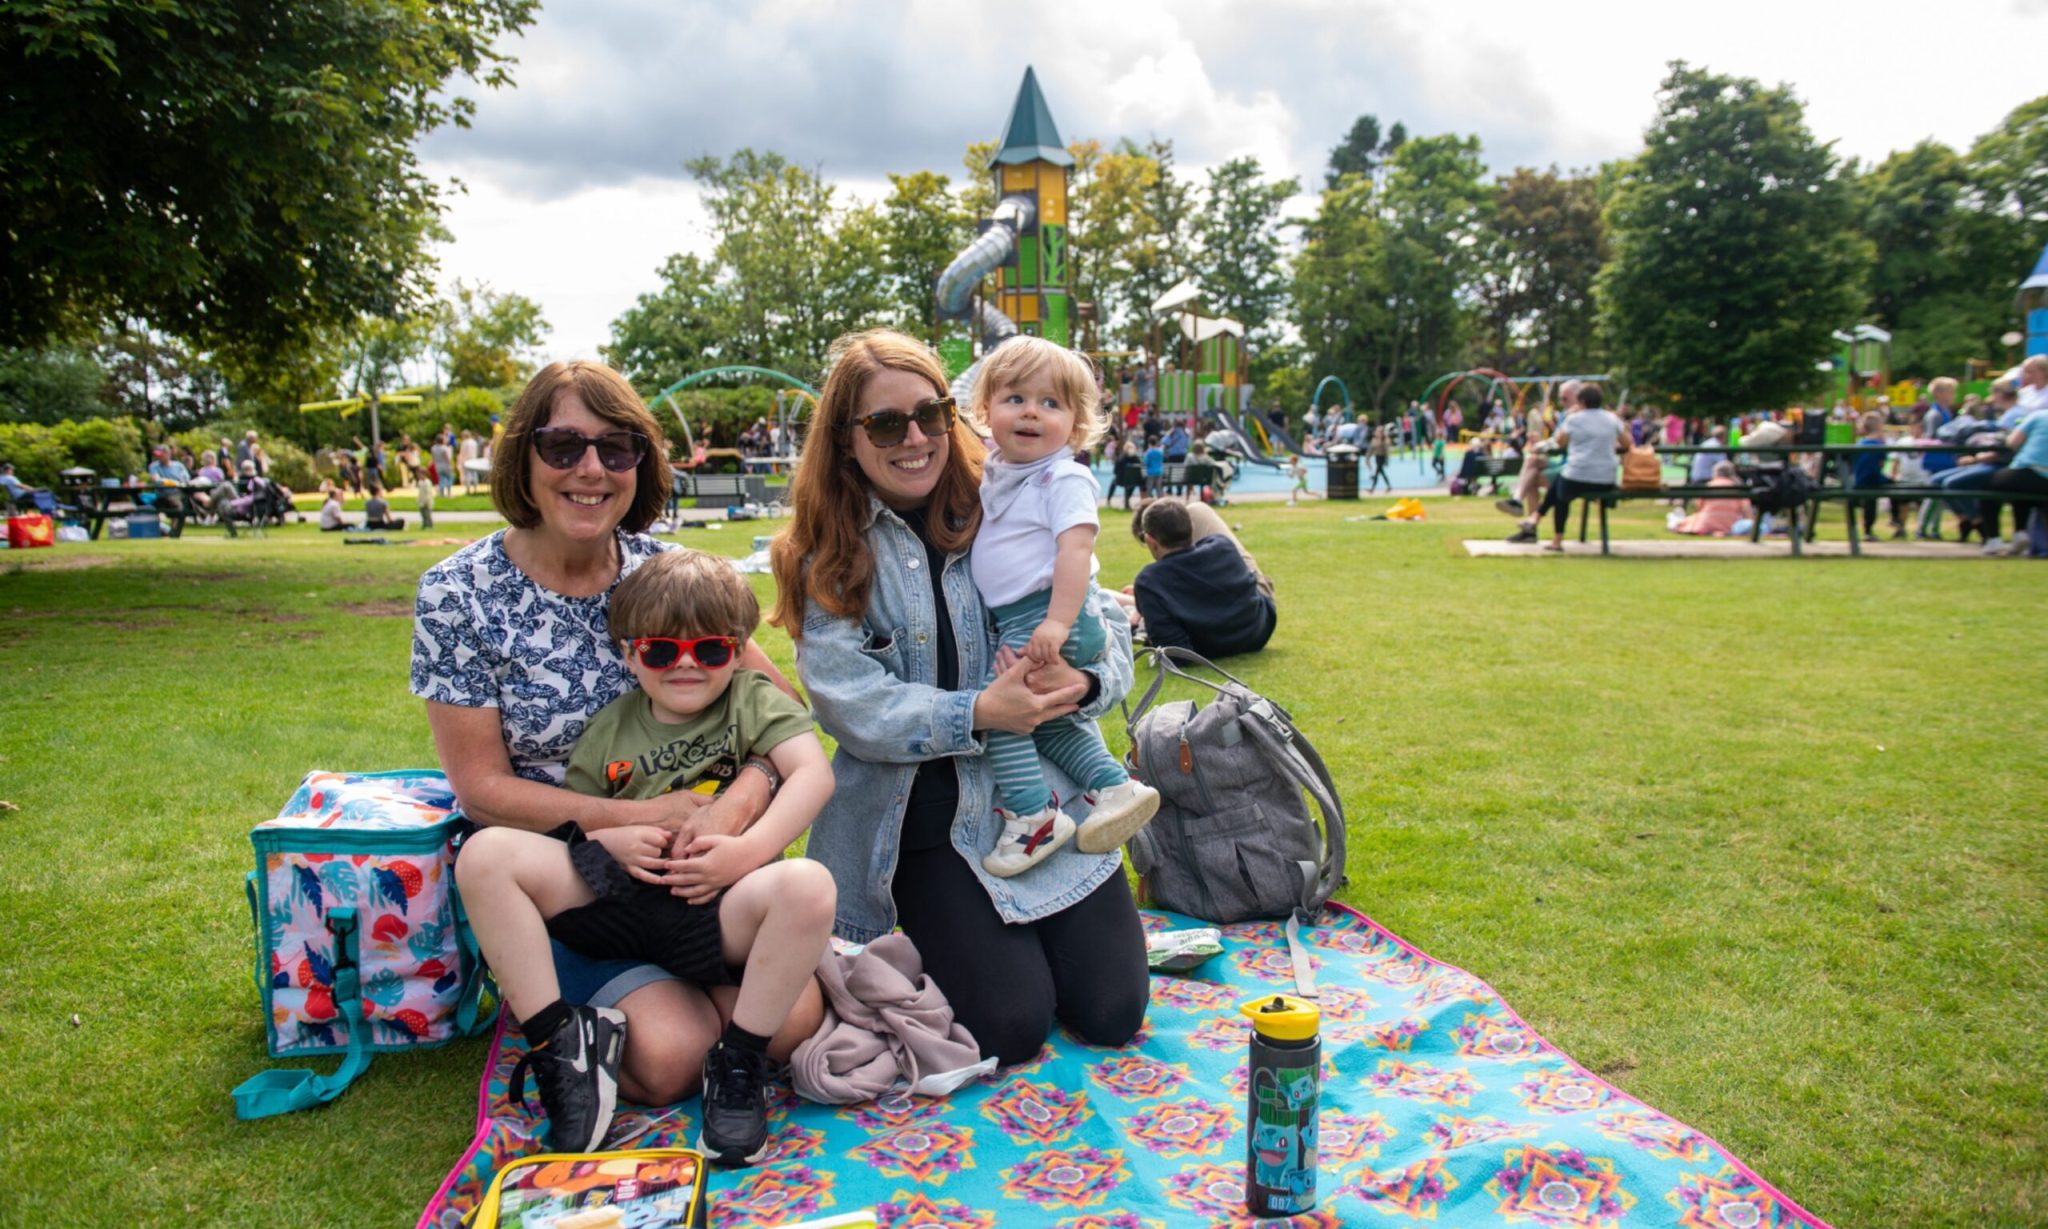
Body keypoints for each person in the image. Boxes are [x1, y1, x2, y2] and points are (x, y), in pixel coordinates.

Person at [411, 360, 824, 1121]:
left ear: (643, 461)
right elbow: (483, 789)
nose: (592, 469)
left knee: (793, 1026)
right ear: (522, 459)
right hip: (572, 870)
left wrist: (731, 812)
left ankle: (689, 1002)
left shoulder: (666, 573)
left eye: (617, 447)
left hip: (699, 872)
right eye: (563, 447)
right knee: (671, 1057)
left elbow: (779, 713)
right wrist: (622, 825)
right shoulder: (459, 593)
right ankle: (568, 1036)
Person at [768, 329, 1147, 1069]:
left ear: (953, 414)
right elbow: (851, 703)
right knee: (1013, 1023)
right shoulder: (831, 552)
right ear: (847, 441)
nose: (914, 438)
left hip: (1038, 799)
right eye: (885, 423)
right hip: (922, 817)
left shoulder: (1012, 492)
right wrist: (979, 711)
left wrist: (1088, 681)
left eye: (930, 413)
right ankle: (961, 935)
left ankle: (1020, 931)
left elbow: (1103, 622)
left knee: (1112, 1009)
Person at [455, 549, 837, 1164]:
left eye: (708, 650)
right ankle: (560, 1046)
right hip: (624, 902)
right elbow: (572, 825)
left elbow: (812, 776)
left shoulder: (751, 700)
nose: (685, 665)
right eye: (662, 651)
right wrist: (605, 839)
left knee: (809, 891)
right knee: (485, 854)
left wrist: (746, 852)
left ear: (738, 652)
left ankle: (735, 1065)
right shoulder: (609, 728)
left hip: (717, 900)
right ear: (631, 654)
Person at [964, 337, 1160, 876]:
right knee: (1046, 720)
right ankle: (1115, 788)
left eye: (1051, 403)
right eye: (1015, 398)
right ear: (987, 410)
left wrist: (1056, 621)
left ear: (1074, 425)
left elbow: (1075, 550)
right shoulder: (1002, 470)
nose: (1031, 411)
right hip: (1028, 616)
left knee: (1001, 712)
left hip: (1046, 615)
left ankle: (1033, 818)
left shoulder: (1062, 476)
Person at [1129, 499, 1276, 658]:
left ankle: (1130, 605)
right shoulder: (1222, 546)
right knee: (1197, 510)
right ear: (1192, 527)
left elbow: (1174, 652)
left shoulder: (1149, 581)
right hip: (1257, 632)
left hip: (1208, 647)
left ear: (1150, 540)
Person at [1540, 385, 1628, 552]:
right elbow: (1628, 443)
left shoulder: (1574, 419)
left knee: (1560, 491)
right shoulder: (1612, 419)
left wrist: (1569, 416)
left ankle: (1555, 538)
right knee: (1562, 479)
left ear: (1581, 402)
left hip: (1577, 477)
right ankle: (1537, 518)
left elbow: (1559, 442)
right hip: (1606, 479)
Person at [1976, 395, 2048, 556]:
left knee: (1988, 488)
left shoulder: (2038, 416)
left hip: (2028, 469)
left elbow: (2012, 442)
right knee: (2023, 494)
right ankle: (2020, 533)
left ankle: (1993, 539)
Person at [1851, 410, 1907, 539]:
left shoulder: (1860, 444)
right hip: (1874, 479)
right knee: (1895, 488)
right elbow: (1881, 464)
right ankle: (1895, 518)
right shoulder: (1879, 444)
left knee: (1870, 502)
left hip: (1859, 480)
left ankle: (1868, 531)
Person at [1670, 462, 1751, 536]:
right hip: (1730, 524)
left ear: (1716, 473)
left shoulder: (1709, 486)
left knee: (1682, 521)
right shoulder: (1738, 488)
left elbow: (1699, 505)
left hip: (1705, 523)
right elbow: (1747, 510)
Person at [1111, 440, 1146, 510]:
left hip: (1121, 480)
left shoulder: (1121, 458)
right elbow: (1140, 470)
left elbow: (1115, 471)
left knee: (1113, 482)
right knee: (1133, 484)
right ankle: (1127, 500)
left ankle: (1109, 499)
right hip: (1134, 480)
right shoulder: (1136, 459)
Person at [1366, 423, 1393, 493]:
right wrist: (1368, 457)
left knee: (1377, 472)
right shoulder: (1374, 440)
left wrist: (1387, 460)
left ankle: (1372, 488)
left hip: (1382, 457)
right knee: (1381, 473)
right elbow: (1372, 449)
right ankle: (1389, 486)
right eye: (1377, 431)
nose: (1378, 433)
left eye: (1380, 431)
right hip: (1377, 457)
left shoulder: (1385, 440)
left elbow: (1387, 451)